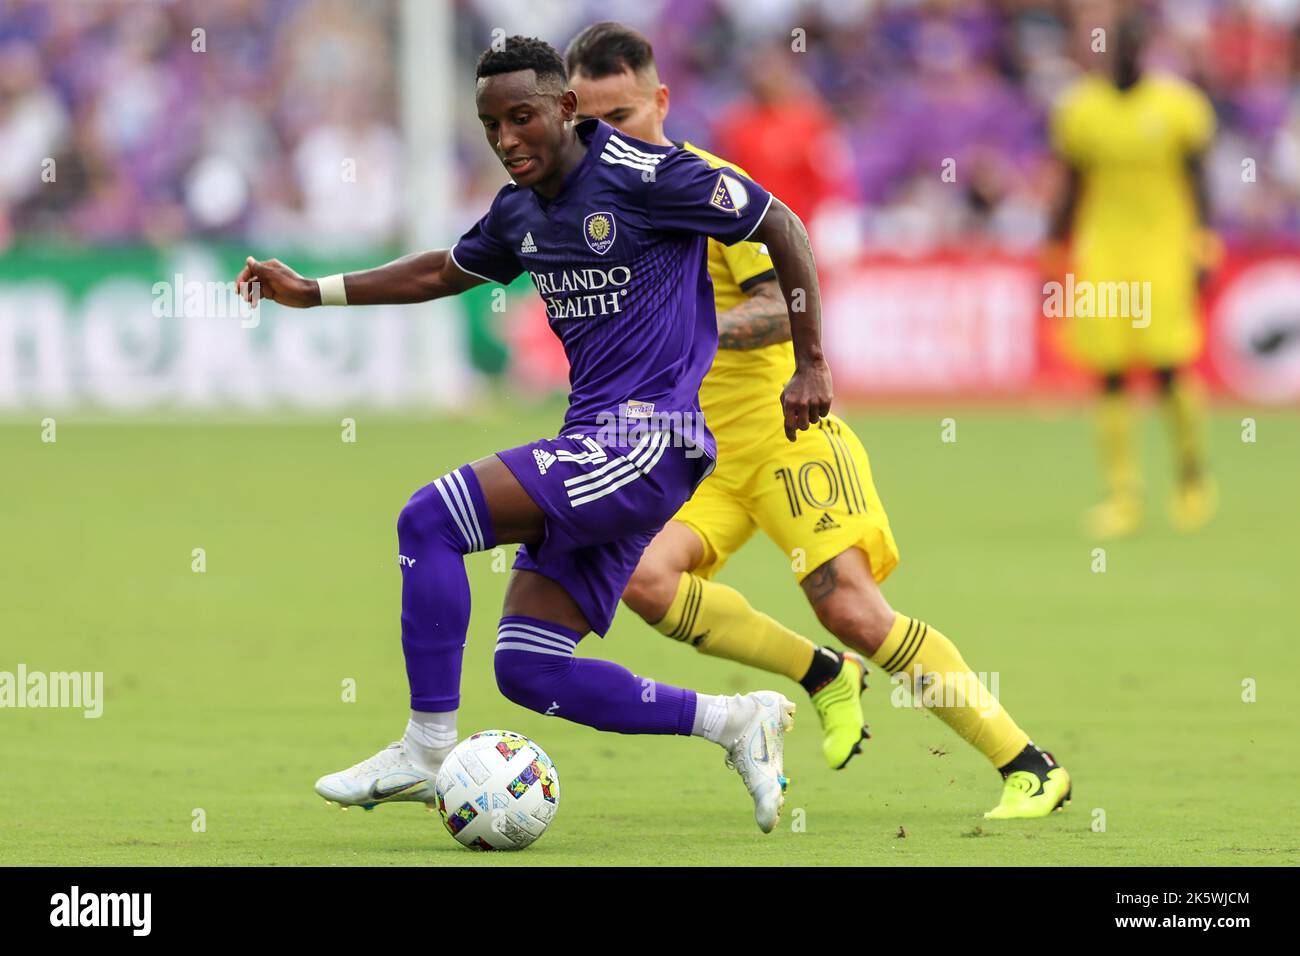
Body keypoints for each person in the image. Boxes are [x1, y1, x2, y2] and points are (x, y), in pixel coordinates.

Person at [235, 36, 833, 833]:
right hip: (596, 442)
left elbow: (780, 224)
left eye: (522, 118)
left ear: (565, 108)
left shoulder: (651, 176)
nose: (506, 139)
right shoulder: (520, 209)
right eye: (490, 125)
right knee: (528, 668)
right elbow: (444, 271)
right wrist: (314, 292)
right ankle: (735, 721)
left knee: (430, 518)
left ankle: (424, 749)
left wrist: (811, 363)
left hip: (648, 440)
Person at [565, 21, 1071, 819]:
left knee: (853, 608)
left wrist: (701, 339)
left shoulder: (705, 189)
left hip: (780, 434)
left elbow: (777, 302)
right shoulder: (589, 216)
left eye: (623, 118)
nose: (608, 140)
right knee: (644, 580)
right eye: (590, 126)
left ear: (661, 102)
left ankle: (1029, 763)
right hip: (698, 455)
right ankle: (822, 675)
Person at [1048, 11, 1219, 539]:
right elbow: (1071, 188)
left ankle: (1191, 476)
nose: (1114, 56)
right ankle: (1123, 493)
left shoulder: (1179, 107)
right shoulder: (1081, 110)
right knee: (1110, 371)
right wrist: (1054, 253)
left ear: (1142, 50)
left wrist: (1203, 244)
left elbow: (1200, 179)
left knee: (1168, 367)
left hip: (1165, 250)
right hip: (1105, 254)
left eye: (1124, 47)